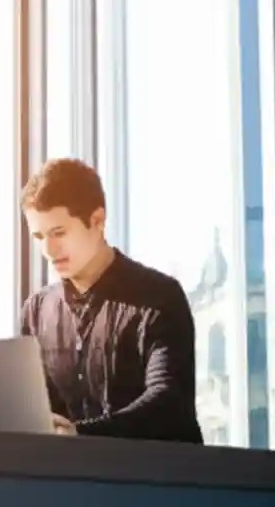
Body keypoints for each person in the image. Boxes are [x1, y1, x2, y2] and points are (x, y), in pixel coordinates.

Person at [18, 158, 203, 444]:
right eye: (39, 236)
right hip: (66, 482)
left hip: (154, 480)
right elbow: (33, 410)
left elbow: (167, 405)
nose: (49, 250)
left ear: (98, 221)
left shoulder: (158, 298)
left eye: (59, 233)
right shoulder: (36, 312)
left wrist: (80, 435)